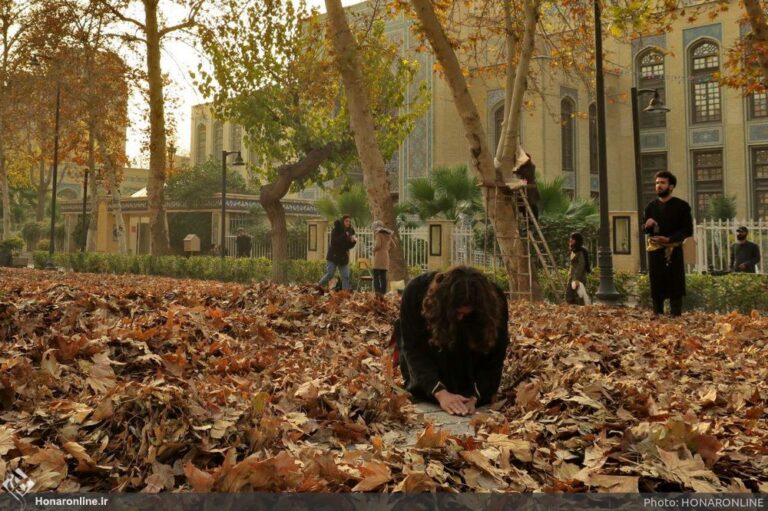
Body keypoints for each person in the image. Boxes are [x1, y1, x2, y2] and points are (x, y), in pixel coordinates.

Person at [395, 266, 509, 416]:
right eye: (457, 313)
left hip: (468, 368)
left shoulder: (494, 301)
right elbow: (413, 349)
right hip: (430, 363)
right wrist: (440, 392)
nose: (460, 318)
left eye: (466, 314)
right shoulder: (416, 291)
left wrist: (476, 396)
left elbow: (494, 358)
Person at [643, 170, 694, 317]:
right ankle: (657, 312)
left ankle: (675, 315)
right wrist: (647, 225)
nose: (659, 186)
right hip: (655, 250)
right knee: (656, 282)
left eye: (662, 183)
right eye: (657, 183)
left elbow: (687, 230)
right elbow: (643, 229)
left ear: (671, 186)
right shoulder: (650, 207)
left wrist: (669, 239)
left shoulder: (682, 206)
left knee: (674, 282)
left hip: (673, 250)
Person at [318, 215, 357, 291]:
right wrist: (344, 235)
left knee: (346, 276)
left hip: (343, 257)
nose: (348, 223)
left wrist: (353, 242)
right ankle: (318, 285)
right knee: (330, 274)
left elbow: (347, 246)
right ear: (342, 221)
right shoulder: (336, 230)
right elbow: (334, 241)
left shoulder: (350, 231)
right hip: (333, 256)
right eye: (346, 221)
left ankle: (345, 293)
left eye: (349, 221)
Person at [565, 232, 591, 305]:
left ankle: (581, 314)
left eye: (573, 239)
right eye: (570, 238)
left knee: (578, 297)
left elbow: (581, 265)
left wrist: (576, 279)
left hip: (578, 278)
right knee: (569, 296)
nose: (570, 240)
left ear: (577, 240)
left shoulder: (580, 251)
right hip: (572, 277)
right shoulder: (574, 250)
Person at [372, 220, 396, 298]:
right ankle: (383, 293)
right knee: (383, 276)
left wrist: (373, 250)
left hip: (379, 256)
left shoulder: (378, 234)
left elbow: (378, 245)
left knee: (376, 275)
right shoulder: (388, 234)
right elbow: (394, 246)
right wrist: (387, 250)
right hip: (386, 256)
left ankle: (377, 293)